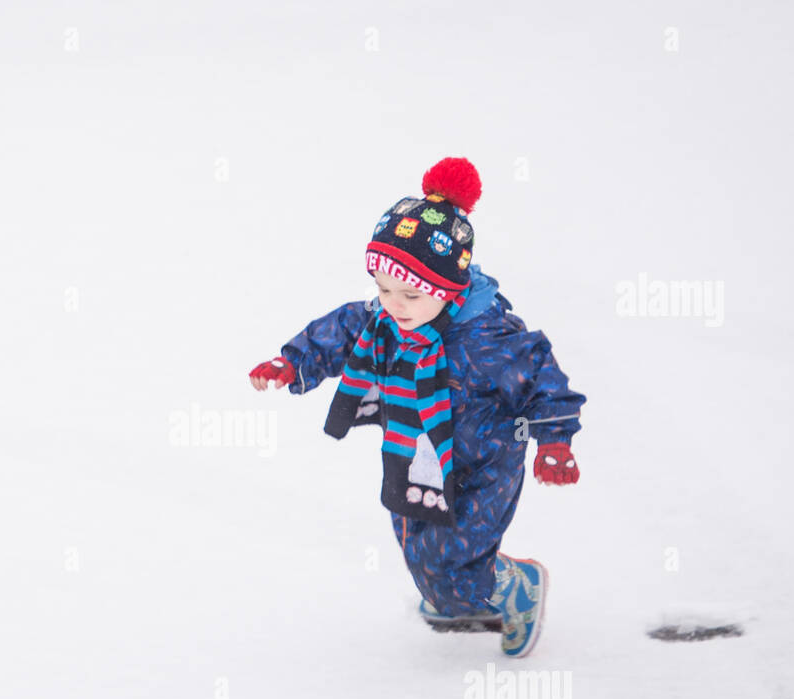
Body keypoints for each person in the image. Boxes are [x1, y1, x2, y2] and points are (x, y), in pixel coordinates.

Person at [246, 157, 585, 658]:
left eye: (409, 293)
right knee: (419, 552)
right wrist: (294, 363)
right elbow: (341, 331)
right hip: (415, 453)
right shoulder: (385, 319)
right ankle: (449, 588)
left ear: (448, 292)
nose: (393, 304)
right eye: (383, 290)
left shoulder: (488, 341)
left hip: (485, 465)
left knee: (458, 563)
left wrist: (554, 441)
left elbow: (540, 377)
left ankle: (515, 584)